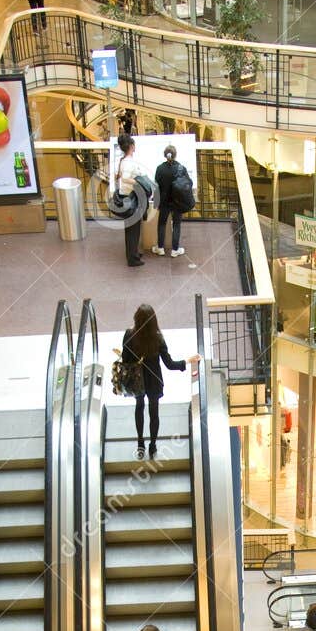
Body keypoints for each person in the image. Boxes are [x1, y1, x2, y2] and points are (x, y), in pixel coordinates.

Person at [119, 303, 188, 458]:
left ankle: (140, 443)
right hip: (154, 380)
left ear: (136, 318)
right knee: (154, 413)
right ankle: (153, 445)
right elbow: (169, 364)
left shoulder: (129, 335)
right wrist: (186, 362)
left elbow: (125, 359)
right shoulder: (157, 338)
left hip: (136, 380)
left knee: (139, 407)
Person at [116, 134, 152, 268]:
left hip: (127, 197)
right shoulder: (128, 162)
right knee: (133, 230)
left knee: (130, 229)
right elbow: (125, 178)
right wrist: (138, 183)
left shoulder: (123, 161)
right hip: (131, 198)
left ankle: (133, 253)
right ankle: (133, 258)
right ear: (131, 146)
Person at [152, 143, 189, 257]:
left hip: (163, 201)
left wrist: (156, 202)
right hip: (177, 201)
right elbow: (186, 184)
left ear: (165, 155)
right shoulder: (181, 168)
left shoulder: (160, 169)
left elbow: (156, 186)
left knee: (162, 223)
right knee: (177, 224)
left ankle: (161, 248)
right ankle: (175, 250)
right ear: (175, 155)